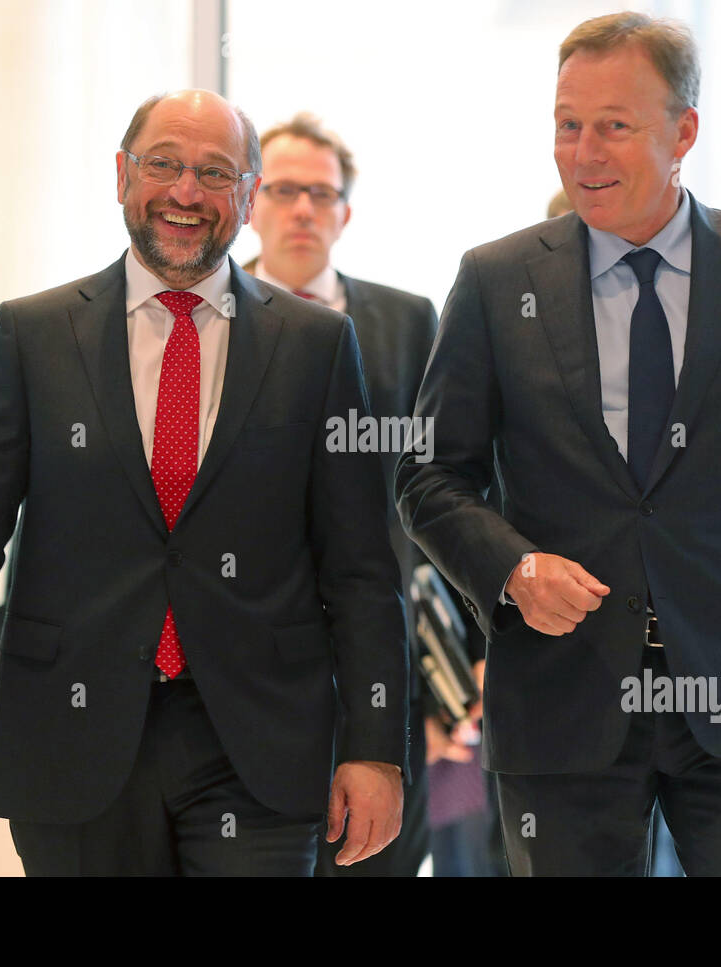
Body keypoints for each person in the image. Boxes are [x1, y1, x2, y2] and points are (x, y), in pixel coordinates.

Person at [395, 12, 721, 876]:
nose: (583, 151)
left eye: (614, 127)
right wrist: (515, 569)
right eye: (567, 125)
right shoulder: (494, 280)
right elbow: (431, 477)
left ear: (684, 133)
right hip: (563, 693)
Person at [0, 90, 409, 876]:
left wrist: (377, 749)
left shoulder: (315, 345)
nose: (185, 192)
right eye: (163, 164)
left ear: (246, 194)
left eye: (214, 172)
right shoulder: (37, 334)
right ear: (121, 175)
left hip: (259, 748)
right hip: (72, 739)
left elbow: (363, 568)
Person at [244, 111, 438, 876]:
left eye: (321, 195)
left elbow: (443, 484)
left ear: (345, 214)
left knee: (380, 855)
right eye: (285, 190)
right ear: (253, 200)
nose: (302, 210)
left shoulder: (404, 320)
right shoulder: (200, 321)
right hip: (247, 646)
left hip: (384, 643)